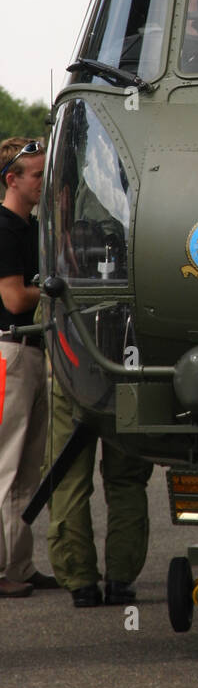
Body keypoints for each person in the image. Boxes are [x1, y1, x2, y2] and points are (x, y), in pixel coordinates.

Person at [0, 137, 58, 597]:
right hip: (10, 350)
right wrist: (60, 291)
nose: (42, 183)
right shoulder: (4, 228)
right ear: (11, 179)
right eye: (36, 175)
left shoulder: (29, 227)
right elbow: (15, 298)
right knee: (8, 465)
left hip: (30, 350)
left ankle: (18, 565)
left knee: (27, 468)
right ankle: (5, 569)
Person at [45, 369, 152, 608]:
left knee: (67, 480)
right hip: (129, 374)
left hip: (73, 372)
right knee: (127, 480)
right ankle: (121, 580)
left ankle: (80, 580)